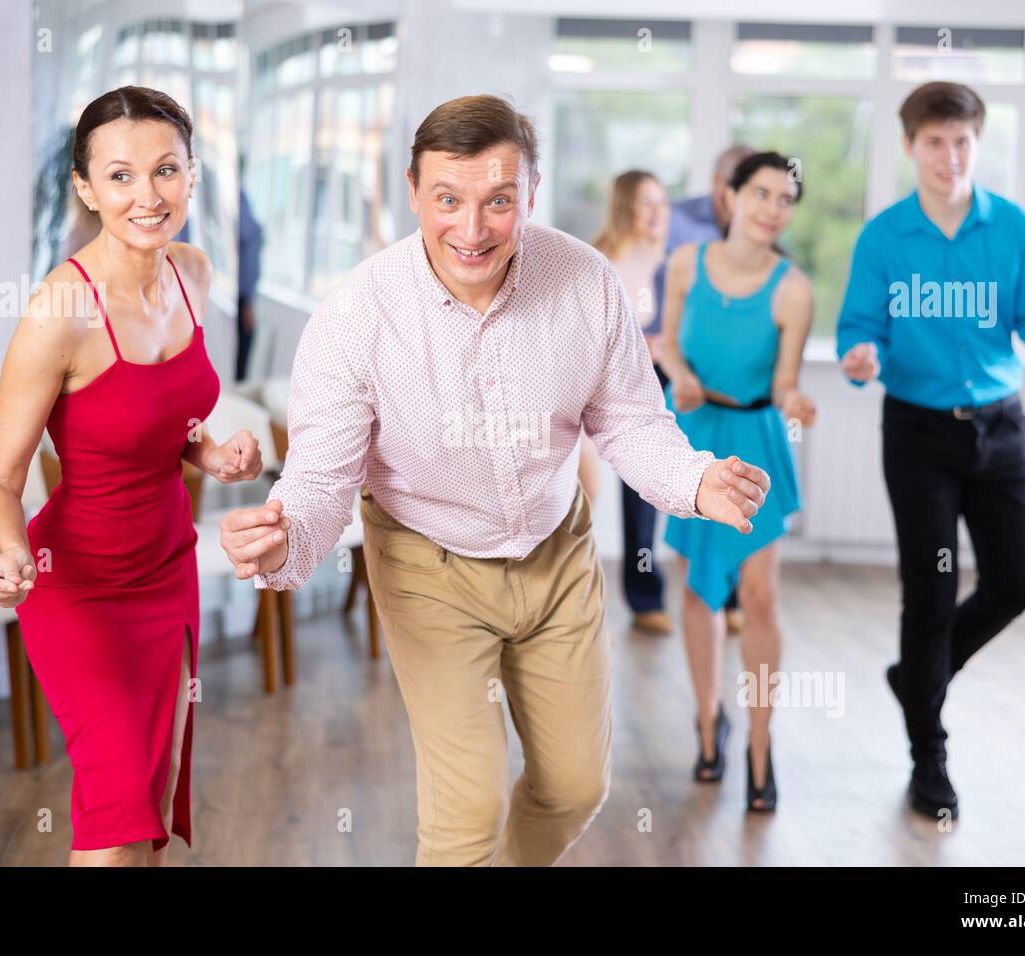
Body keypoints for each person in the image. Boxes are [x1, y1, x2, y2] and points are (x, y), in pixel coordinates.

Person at [218, 94, 772, 866]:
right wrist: (284, 541)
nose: (472, 229)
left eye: (499, 201)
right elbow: (319, 480)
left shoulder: (586, 282)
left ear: (531, 194)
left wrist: (695, 479)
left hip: (555, 550)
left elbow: (630, 422)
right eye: (448, 199)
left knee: (574, 787)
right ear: (413, 191)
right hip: (427, 563)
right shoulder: (355, 316)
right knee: (468, 811)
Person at [0, 87, 263, 866]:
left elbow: (167, 422)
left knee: (151, 805)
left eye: (166, 170)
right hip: (79, 585)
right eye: (121, 175)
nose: (148, 195)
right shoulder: (58, 312)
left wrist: (213, 453)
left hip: (167, 567)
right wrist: (12, 551)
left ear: (192, 175)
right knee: (118, 813)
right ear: (86, 187)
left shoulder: (193, 273)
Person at [836, 81, 1025, 821]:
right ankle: (929, 755)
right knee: (931, 592)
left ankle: (917, 676)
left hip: (1000, 428)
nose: (950, 156)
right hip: (918, 434)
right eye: (935, 143)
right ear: (910, 146)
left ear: (978, 143)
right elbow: (860, 327)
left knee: (1016, 583)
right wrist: (859, 356)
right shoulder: (883, 237)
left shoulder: (1012, 227)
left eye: (962, 142)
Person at [661, 151, 815, 809]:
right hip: (694, 439)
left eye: (786, 200)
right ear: (731, 196)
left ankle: (759, 745)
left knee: (760, 597)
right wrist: (681, 378)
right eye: (761, 193)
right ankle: (707, 724)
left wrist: (795, 400)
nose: (772, 209)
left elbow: (784, 382)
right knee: (699, 591)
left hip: (756, 442)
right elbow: (666, 344)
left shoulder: (793, 290)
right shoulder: (683, 265)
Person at [654, 143, 756, 634]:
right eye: (738, 187)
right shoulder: (677, 221)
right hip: (666, 361)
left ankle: (728, 595)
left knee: (731, 476)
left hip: (729, 376)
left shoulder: (759, 232)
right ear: (719, 184)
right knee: (657, 473)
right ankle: (649, 597)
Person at [590, 169, 673, 633]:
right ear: (625, 207)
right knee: (585, 490)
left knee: (649, 489)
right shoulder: (597, 263)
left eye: (662, 202)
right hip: (601, 382)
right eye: (647, 202)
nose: (658, 212)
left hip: (658, 381)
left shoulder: (672, 265)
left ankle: (647, 599)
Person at [235, 184, 264, 382]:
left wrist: (249, 300)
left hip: (240, 296)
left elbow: (251, 237)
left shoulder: (235, 194)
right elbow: (253, 236)